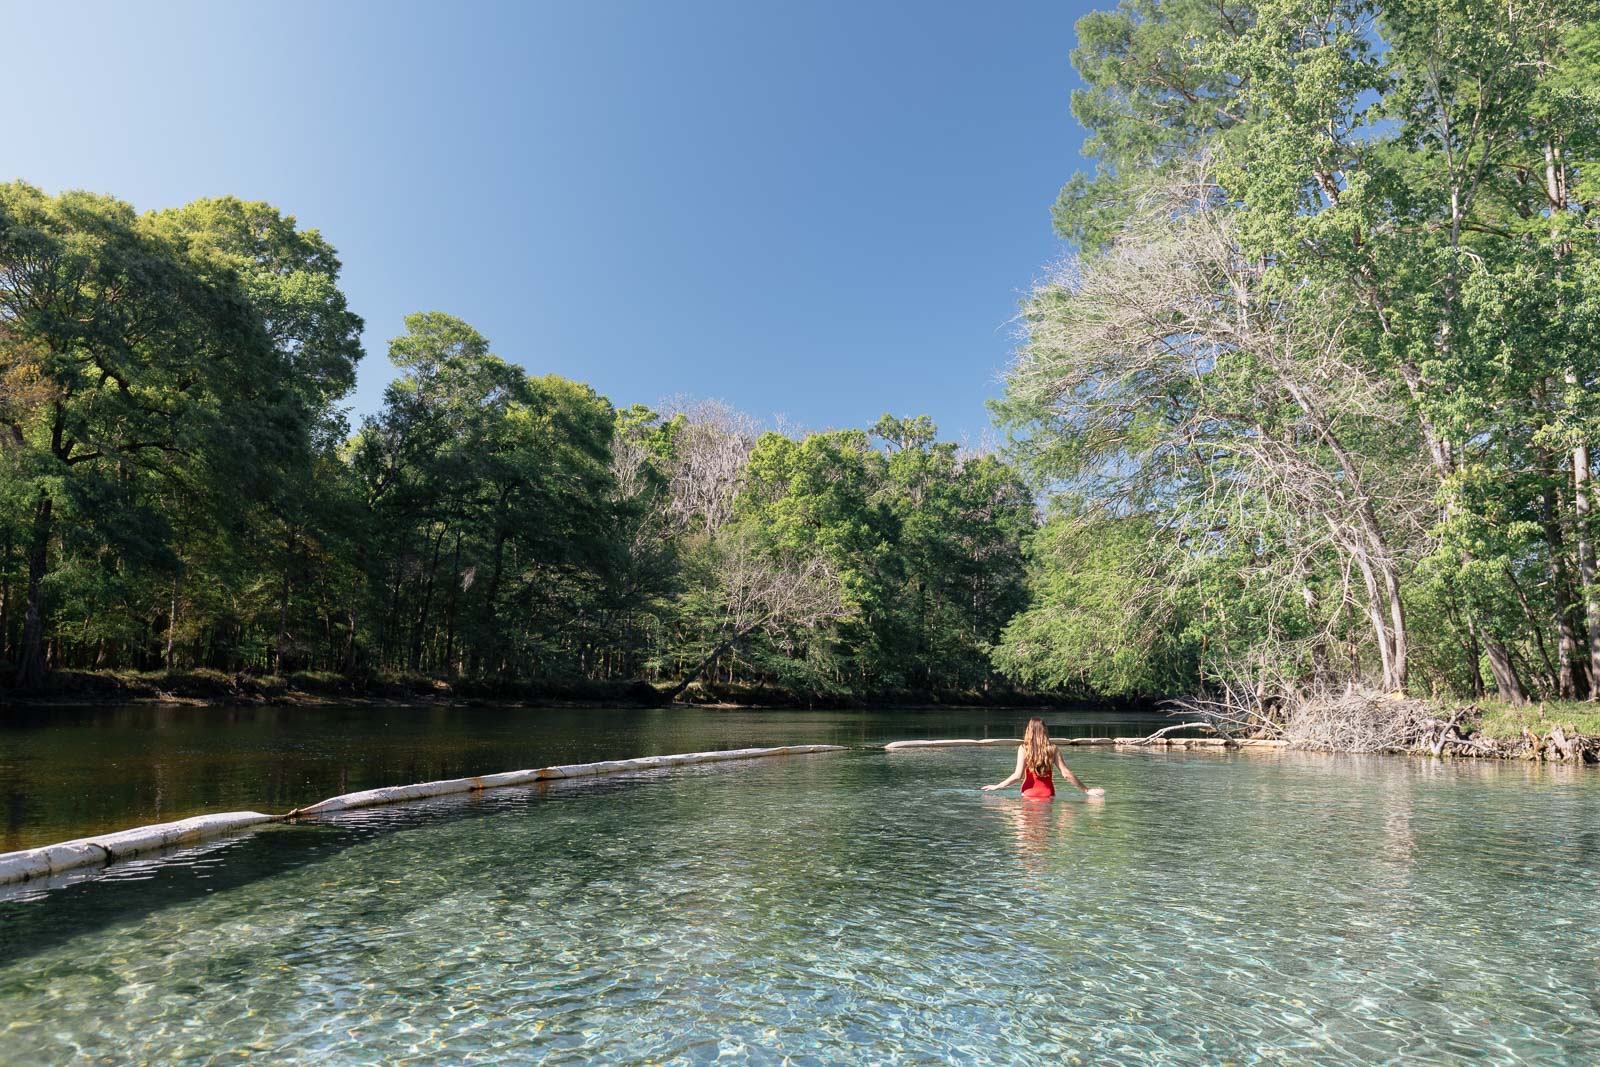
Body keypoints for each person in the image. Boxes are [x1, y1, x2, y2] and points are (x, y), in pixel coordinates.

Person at [982, 717, 1105, 799]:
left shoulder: (1024, 749)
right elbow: (1066, 774)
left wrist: (997, 786)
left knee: (1024, 829)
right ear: (1044, 730)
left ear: (1029, 731)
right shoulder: (1053, 749)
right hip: (1048, 794)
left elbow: (1017, 776)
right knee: (1045, 829)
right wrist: (1086, 790)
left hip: (1028, 794)